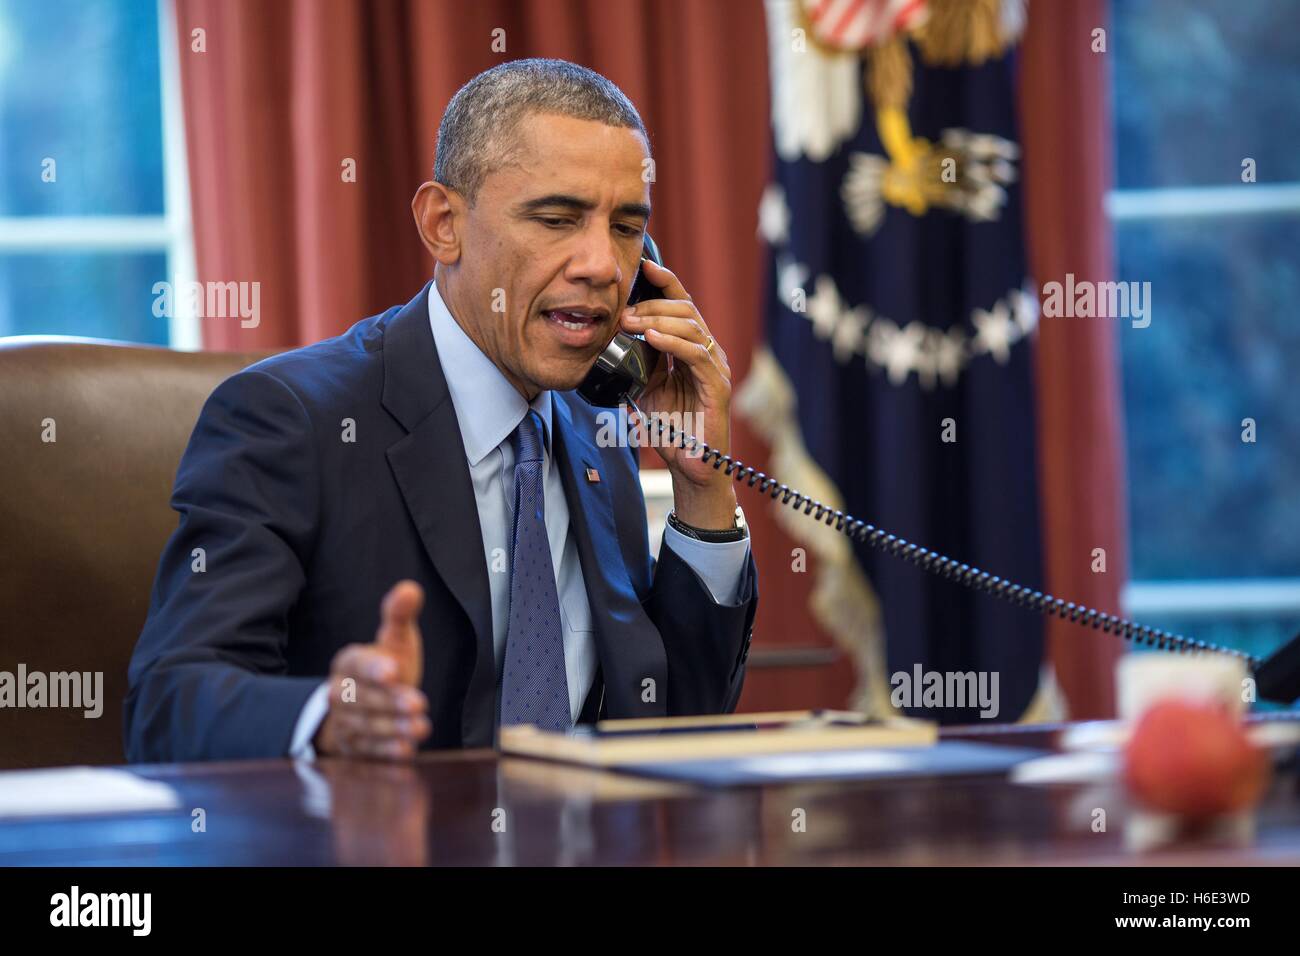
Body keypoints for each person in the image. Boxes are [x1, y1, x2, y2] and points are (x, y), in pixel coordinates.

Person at [124, 58, 758, 762]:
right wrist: (328, 718)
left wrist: (705, 486)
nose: (604, 267)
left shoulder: (592, 425)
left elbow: (674, 724)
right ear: (442, 224)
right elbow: (168, 703)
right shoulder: (290, 420)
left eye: (626, 228)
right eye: (557, 218)